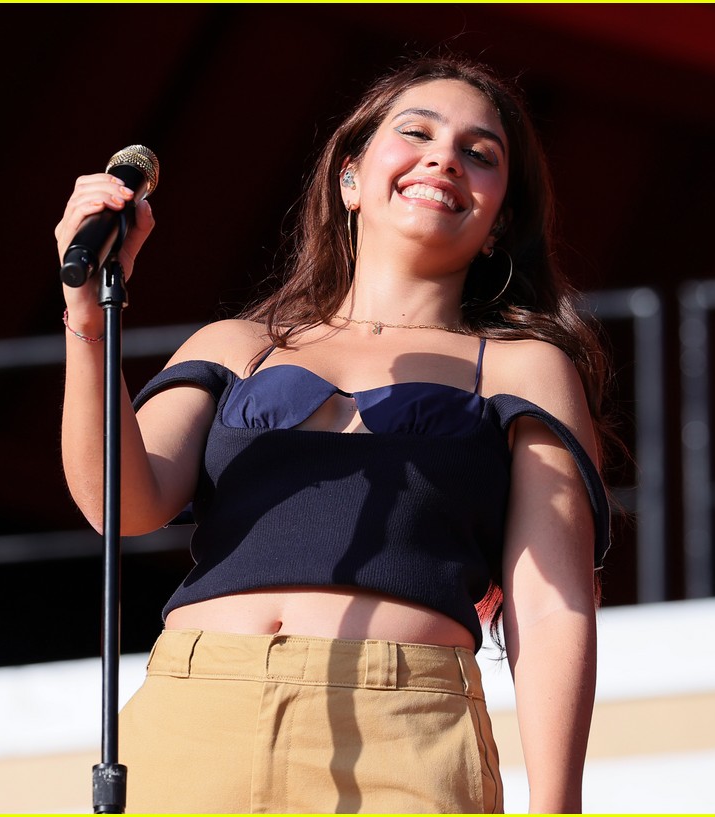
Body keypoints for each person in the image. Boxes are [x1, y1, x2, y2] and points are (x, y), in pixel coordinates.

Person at [56, 55, 612, 814]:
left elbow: (551, 606)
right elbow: (121, 501)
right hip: (194, 709)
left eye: (479, 154)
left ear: (499, 223)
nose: (444, 156)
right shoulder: (235, 344)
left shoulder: (523, 368)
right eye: (416, 131)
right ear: (350, 178)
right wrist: (88, 320)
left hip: (403, 725)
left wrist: (558, 805)